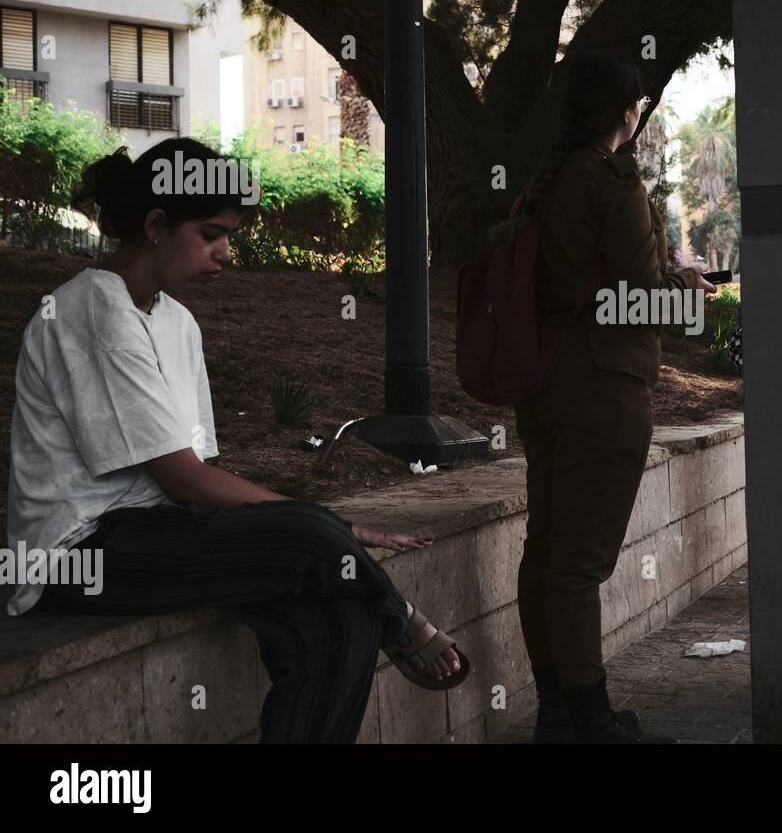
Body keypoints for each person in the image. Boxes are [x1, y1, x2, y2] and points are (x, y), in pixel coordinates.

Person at [8, 137, 467, 743]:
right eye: (210, 233)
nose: (227, 252)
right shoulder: (92, 309)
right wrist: (324, 531)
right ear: (155, 224)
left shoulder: (176, 321)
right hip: (83, 551)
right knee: (310, 535)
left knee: (345, 623)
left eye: (230, 234)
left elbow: (200, 472)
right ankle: (404, 620)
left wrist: (325, 537)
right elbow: (184, 478)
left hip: (162, 532)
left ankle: (374, 615)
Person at [510, 51, 715, 743]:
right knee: (581, 563)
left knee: (545, 553)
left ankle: (558, 711)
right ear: (628, 112)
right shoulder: (611, 182)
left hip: (543, 386)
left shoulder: (545, 181)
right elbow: (636, 300)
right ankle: (590, 720)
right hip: (606, 388)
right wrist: (686, 292)